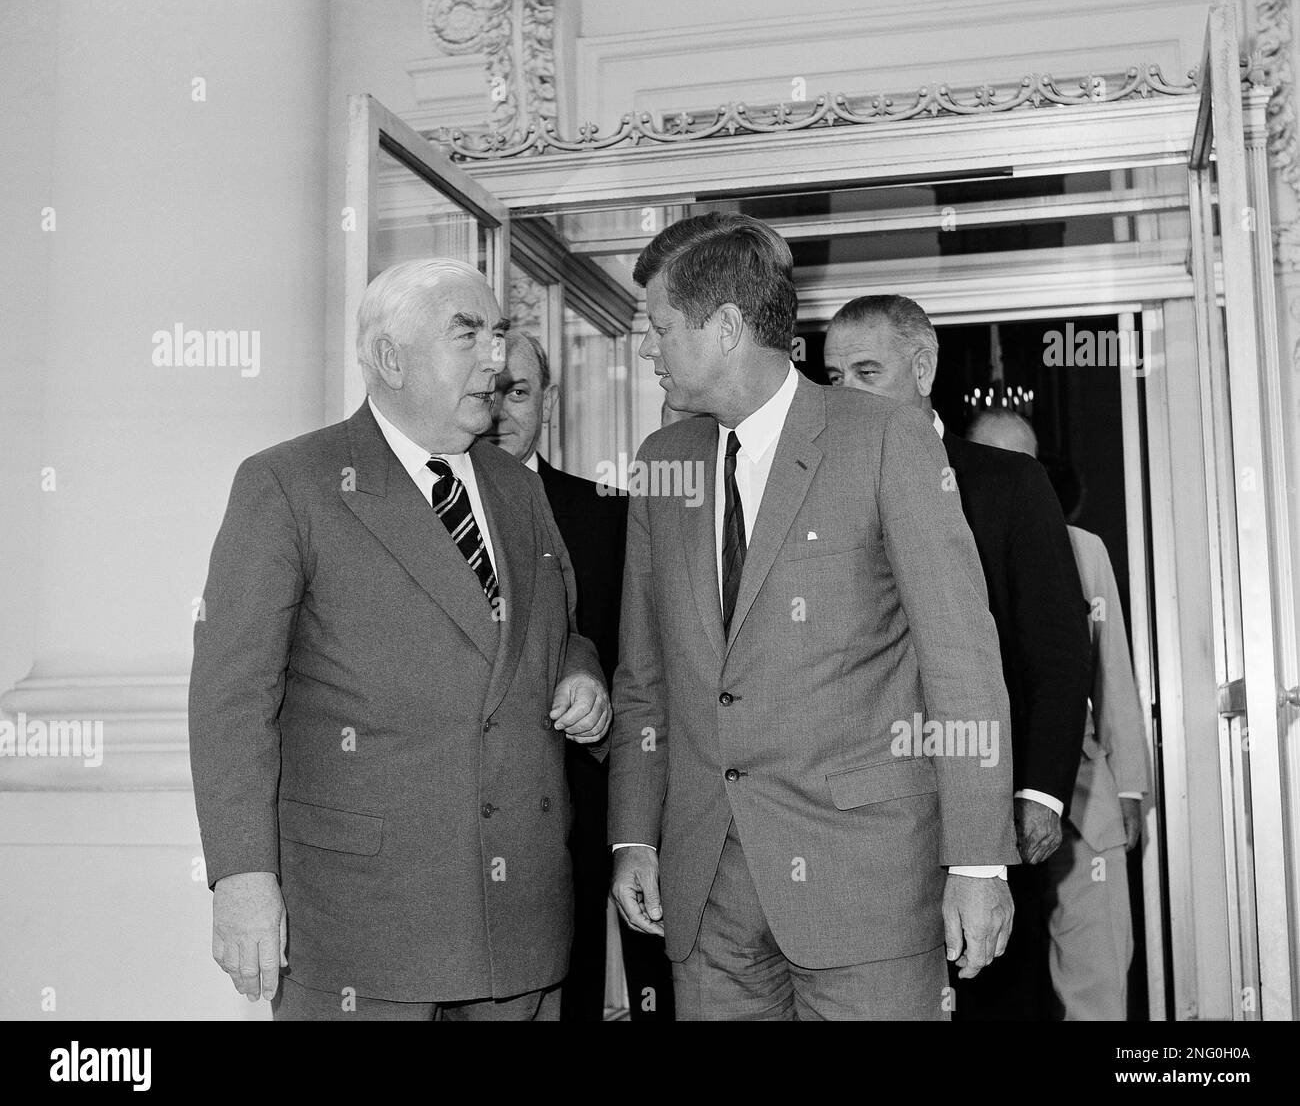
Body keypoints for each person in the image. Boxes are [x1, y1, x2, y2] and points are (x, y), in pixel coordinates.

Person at [608, 213, 1017, 1021]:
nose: (646, 348)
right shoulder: (663, 463)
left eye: (656, 326)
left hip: (867, 886)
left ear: (726, 328)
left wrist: (978, 863)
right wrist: (634, 836)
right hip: (708, 890)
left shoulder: (886, 438)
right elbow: (644, 672)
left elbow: (961, 659)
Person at [189, 258, 610, 1021]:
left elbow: (562, 630)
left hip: (519, 925)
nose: (496, 357)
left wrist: (580, 674)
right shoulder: (290, 484)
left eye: (501, 333)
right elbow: (231, 697)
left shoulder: (516, 487)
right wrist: (242, 879)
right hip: (364, 930)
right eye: (469, 333)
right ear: (390, 358)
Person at [824, 295, 1091, 1020]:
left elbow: (1060, 652)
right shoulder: (816, 495)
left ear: (923, 367)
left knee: (999, 1001)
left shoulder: (1007, 482)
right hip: (863, 823)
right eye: (833, 375)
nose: (844, 392)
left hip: (988, 808)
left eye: (865, 371)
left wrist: (1038, 793)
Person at [488, 331, 675, 1021]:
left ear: (550, 402)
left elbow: (644, 660)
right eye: (491, 390)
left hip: (597, 793)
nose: (501, 409)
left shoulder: (610, 511)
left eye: (519, 391)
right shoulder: (426, 508)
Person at [969, 409, 1149, 1020]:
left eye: (1029, 460)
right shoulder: (941, 540)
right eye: (1000, 457)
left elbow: (1112, 674)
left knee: (1097, 970)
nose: (1018, 474)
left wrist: (1128, 785)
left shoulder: (1084, 550)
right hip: (980, 787)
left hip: (1083, 788)